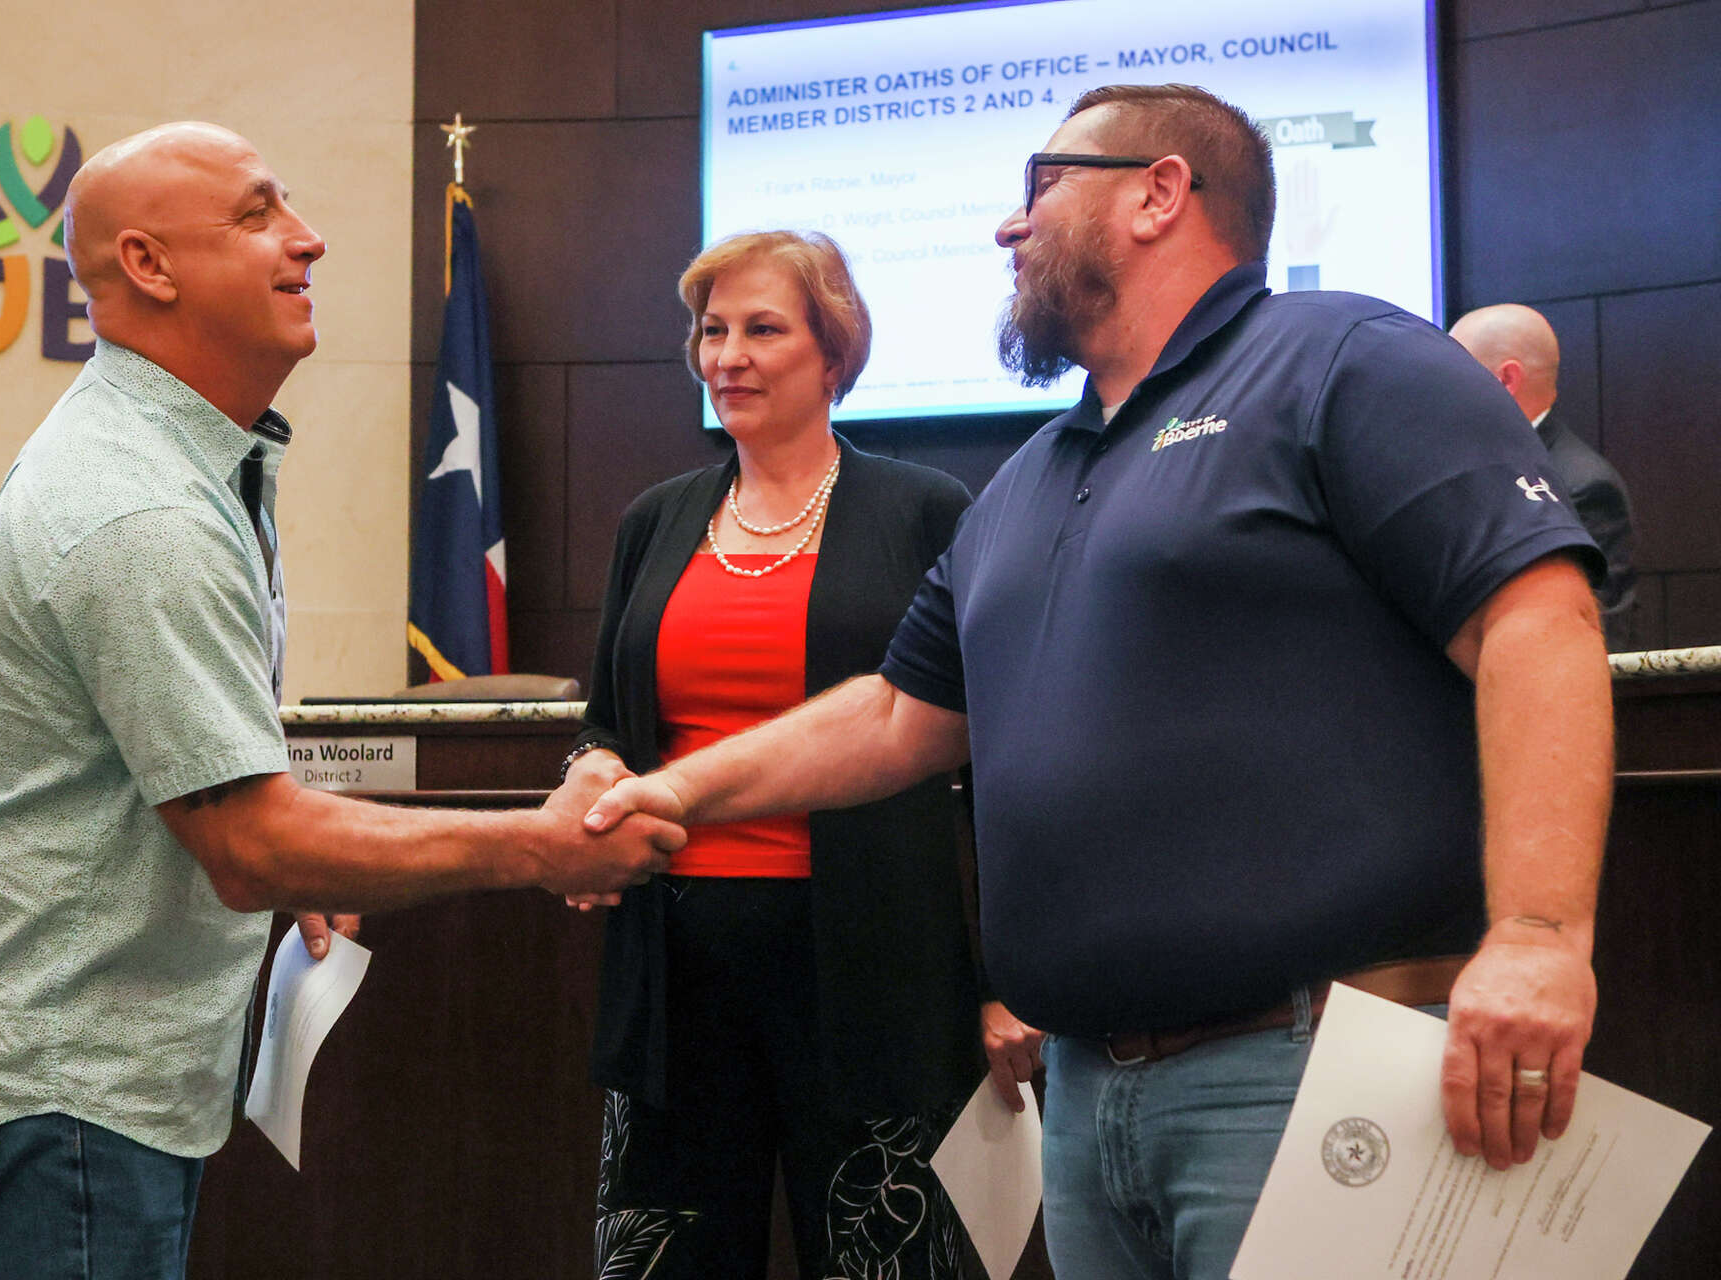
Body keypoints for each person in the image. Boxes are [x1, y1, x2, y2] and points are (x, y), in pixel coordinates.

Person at [585, 85, 1613, 1280]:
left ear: (1158, 192)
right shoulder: (1029, 477)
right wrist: (665, 795)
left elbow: (1538, 621)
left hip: (1299, 1074)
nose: (1010, 230)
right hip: (1085, 1101)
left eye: (1041, 186)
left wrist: (1540, 934)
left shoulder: (1345, 358)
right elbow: (892, 712)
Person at [0, 121, 681, 1280]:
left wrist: (319, 854)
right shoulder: (138, 509)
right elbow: (250, 844)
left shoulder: (183, 460)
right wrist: (542, 846)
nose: (309, 239)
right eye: (259, 213)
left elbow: (219, 795)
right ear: (151, 267)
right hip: (71, 1086)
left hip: (88, 1074)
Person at [569, 230, 1033, 1279]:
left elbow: (994, 761)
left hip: (877, 969)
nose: (728, 353)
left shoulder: (923, 511)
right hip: (675, 974)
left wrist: (1007, 977)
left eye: (762, 329)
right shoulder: (657, 519)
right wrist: (590, 771)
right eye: (712, 329)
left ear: (835, 354)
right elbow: (607, 722)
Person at [1450, 303, 1640, 649]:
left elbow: (1596, 638)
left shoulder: (1583, 486)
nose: (1441, 389)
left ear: (1506, 379)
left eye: (1453, 371)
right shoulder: (1470, 465)